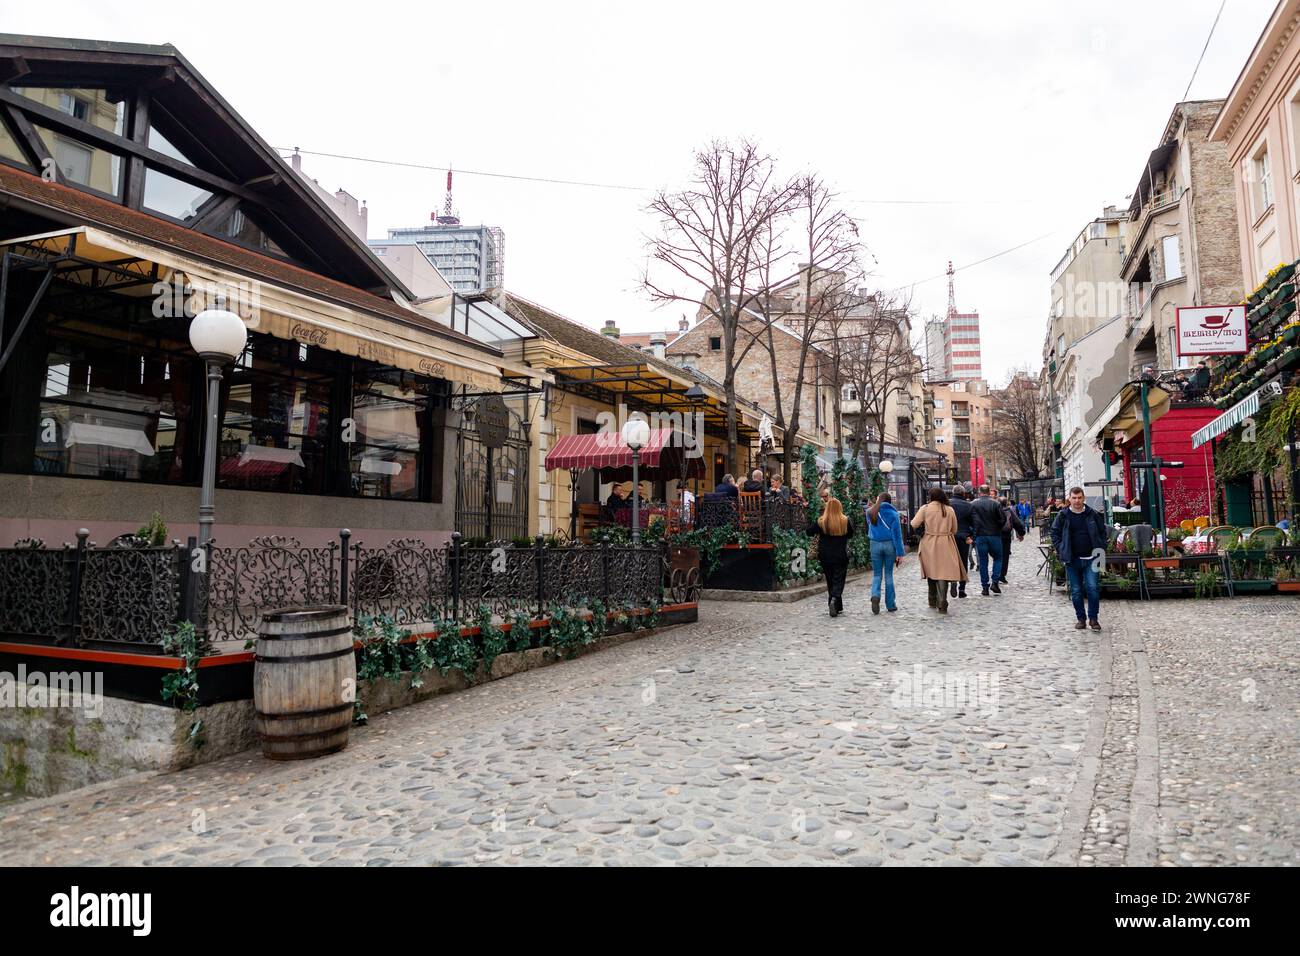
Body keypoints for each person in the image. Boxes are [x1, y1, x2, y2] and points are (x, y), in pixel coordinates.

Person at [1049, 486, 1108, 632]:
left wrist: (1101, 547)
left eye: (1079, 498)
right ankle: (1081, 618)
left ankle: (1093, 618)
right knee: (1076, 590)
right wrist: (1061, 548)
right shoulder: (1063, 515)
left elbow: (1103, 532)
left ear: (1084, 498)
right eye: (1074, 498)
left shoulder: (1092, 514)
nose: (1076, 501)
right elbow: (1054, 533)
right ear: (1069, 499)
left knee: (1093, 588)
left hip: (1092, 558)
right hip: (1072, 559)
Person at [910, 487, 966, 613]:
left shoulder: (925, 508)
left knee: (932, 571)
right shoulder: (949, 509)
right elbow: (955, 529)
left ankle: (932, 599)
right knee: (943, 572)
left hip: (929, 542)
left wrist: (923, 531)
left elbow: (914, 524)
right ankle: (942, 600)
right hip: (946, 542)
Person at [807, 496, 855, 617]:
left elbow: (809, 532)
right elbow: (850, 535)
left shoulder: (821, 521)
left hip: (825, 555)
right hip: (841, 554)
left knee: (830, 579)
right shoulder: (845, 520)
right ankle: (834, 599)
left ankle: (835, 604)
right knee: (839, 579)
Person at [866, 491, 906, 614]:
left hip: (875, 544)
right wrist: (900, 553)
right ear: (890, 501)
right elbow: (897, 536)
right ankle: (890, 604)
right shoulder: (894, 514)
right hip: (889, 545)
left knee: (877, 574)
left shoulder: (870, 512)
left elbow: (870, 528)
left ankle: (875, 595)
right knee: (888, 574)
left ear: (879, 499)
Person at [969, 484, 1005, 596]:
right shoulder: (996, 503)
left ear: (979, 492)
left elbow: (970, 520)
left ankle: (985, 587)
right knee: (998, 558)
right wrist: (998, 527)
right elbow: (1002, 519)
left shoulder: (973, 504)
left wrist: (974, 532)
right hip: (994, 535)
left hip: (980, 536)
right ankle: (995, 582)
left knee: (983, 561)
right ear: (989, 492)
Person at [948, 486, 975, 599]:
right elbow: (974, 522)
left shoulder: (947, 504)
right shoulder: (969, 505)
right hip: (963, 537)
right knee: (963, 562)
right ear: (964, 494)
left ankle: (952, 579)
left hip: (949, 536)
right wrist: (971, 536)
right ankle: (962, 588)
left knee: (951, 560)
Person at [998, 496, 1026, 584]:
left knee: (997, 556)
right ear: (1006, 503)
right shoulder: (1008, 511)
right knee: (1005, 556)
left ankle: (996, 574)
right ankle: (1002, 575)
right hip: (1006, 536)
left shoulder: (994, 510)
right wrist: (1021, 533)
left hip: (995, 536)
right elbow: (1017, 522)